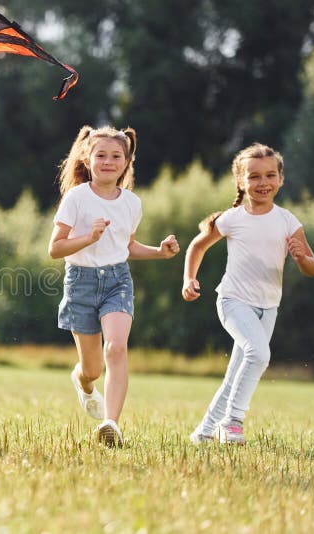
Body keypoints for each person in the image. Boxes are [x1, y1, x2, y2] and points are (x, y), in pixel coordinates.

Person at [48, 125, 180, 447]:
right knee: (92, 368)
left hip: (117, 281)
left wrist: (159, 253)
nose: (108, 161)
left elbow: (127, 247)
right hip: (81, 283)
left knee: (116, 348)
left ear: (126, 161)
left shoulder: (132, 203)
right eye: (101, 155)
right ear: (87, 158)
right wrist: (88, 238)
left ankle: (111, 424)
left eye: (116, 156)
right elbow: (55, 249)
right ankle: (83, 380)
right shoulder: (76, 198)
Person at [182, 143, 314, 445]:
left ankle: (203, 433)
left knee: (236, 375)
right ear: (241, 182)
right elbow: (197, 245)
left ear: (280, 179)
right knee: (259, 355)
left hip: (268, 307)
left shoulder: (287, 221)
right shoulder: (233, 219)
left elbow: (313, 267)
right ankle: (232, 423)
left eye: (270, 175)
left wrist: (301, 258)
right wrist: (189, 279)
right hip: (233, 301)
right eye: (254, 177)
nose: (263, 183)